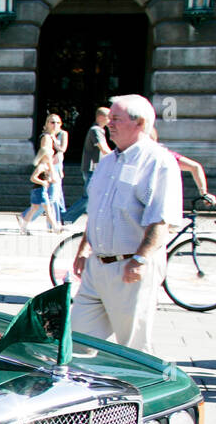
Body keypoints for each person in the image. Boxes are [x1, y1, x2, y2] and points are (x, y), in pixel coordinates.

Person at [70, 95, 183, 354]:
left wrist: (141, 260)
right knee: (76, 341)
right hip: (97, 267)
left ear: (140, 123)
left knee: (133, 348)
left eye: (116, 119)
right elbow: (97, 212)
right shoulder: (108, 162)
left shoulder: (158, 161)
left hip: (130, 267)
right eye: (109, 118)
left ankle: (144, 391)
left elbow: (161, 219)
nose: (109, 124)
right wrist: (84, 249)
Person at [62, 106, 111, 223]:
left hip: (94, 168)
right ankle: (66, 218)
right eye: (109, 117)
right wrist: (119, 155)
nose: (111, 120)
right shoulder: (96, 130)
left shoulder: (99, 130)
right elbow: (103, 148)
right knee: (89, 197)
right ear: (101, 117)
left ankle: (67, 218)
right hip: (92, 168)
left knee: (91, 196)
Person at [16, 140, 63, 234]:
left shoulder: (45, 166)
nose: (52, 158)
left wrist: (48, 180)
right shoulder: (41, 166)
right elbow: (32, 178)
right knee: (48, 209)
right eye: (50, 156)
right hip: (40, 190)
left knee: (34, 209)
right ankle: (55, 227)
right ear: (45, 156)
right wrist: (43, 182)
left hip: (39, 190)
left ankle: (23, 227)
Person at [41, 113, 69, 221]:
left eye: (58, 122)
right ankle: (58, 221)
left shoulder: (63, 134)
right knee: (54, 195)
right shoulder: (45, 136)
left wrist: (54, 139)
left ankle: (60, 220)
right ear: (47, 123)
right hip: (49, 166)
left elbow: (62, 149)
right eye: (52, 122)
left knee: (57, 195)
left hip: (57, 166)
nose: (55, 125)